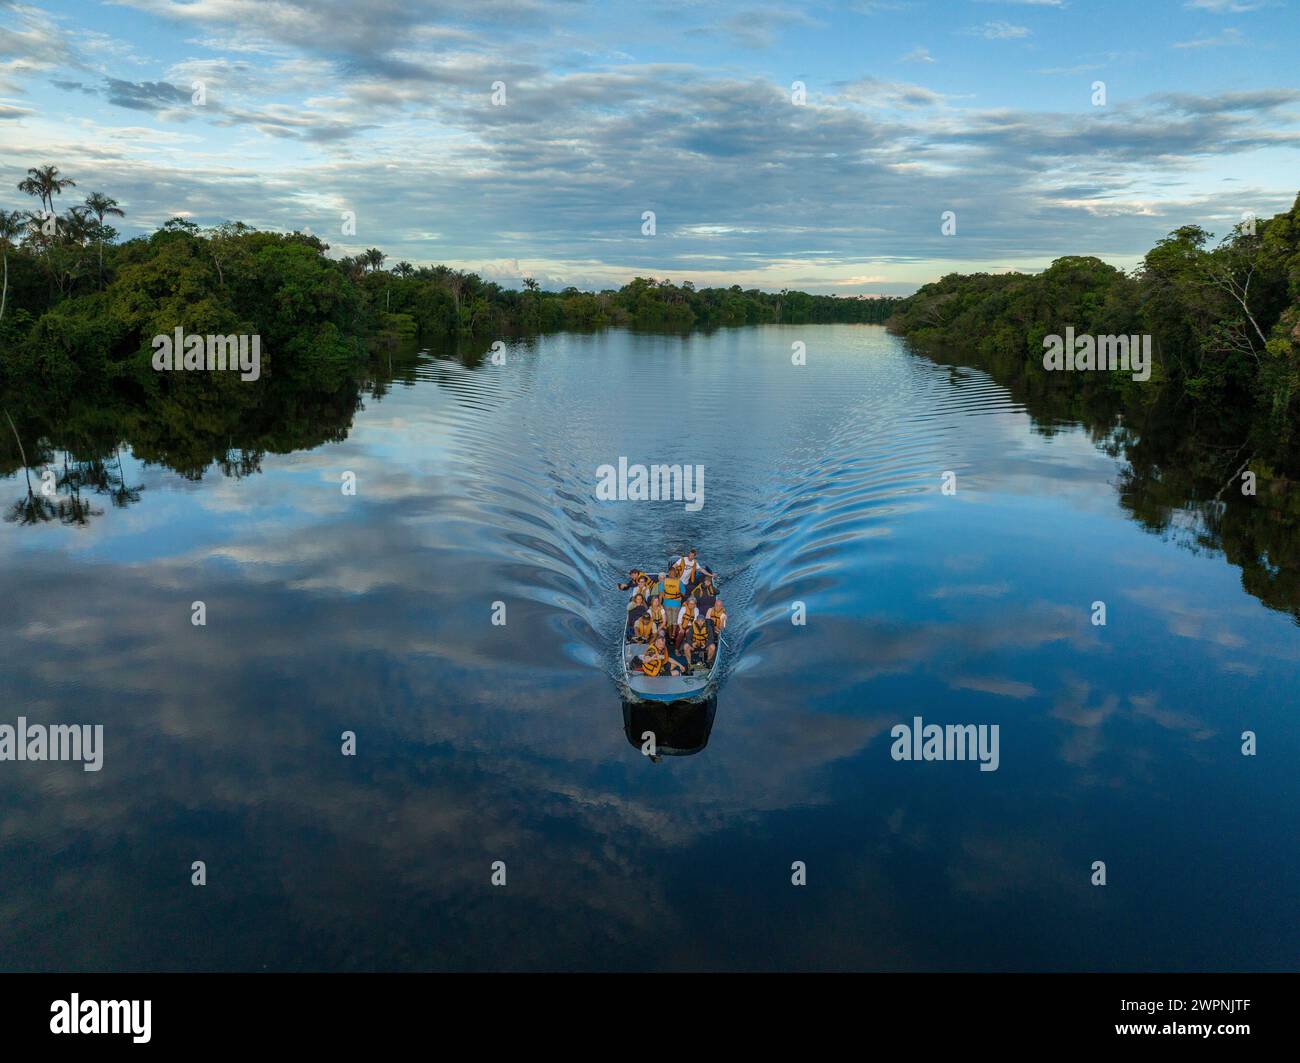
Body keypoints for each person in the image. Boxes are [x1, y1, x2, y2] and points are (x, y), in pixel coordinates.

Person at [659, 561, 685, 637]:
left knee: (669, 621)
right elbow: (683, 594)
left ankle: (670, 635)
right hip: (676, 603)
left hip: (666, 604)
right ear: (675, 573)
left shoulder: (664, 581)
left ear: (669, 573)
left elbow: (661, 595)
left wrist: (660, 605)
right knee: (675, 620)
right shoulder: (679, 582)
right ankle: (673, 634)